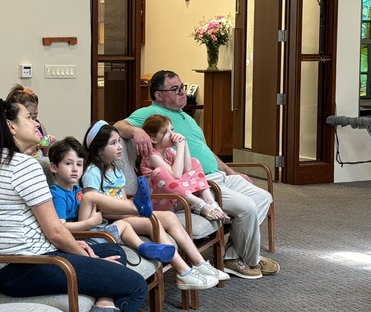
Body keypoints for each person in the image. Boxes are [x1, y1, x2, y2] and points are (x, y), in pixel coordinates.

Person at [0, 99, 151, 312]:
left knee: (112, 250)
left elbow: (53, 232)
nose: (36, 122)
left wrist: (85, 252)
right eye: (28, 117)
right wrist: (87, 256)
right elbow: (54, 232)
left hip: (10, 269)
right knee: (134, 286)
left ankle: (105, 307)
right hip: (34, 266)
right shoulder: (22, 167)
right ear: (10, 127)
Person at [115, 70, 278, 279]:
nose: (182, 92)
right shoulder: (150, 113)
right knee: (246, 208)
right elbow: (118, 125)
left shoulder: (187, 117)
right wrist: (137, 132)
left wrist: (229, 171)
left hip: (217, 175)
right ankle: (243, 259)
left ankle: (235, 255)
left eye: (182, 87)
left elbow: (204, 150)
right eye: (175, 89)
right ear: (158, 95)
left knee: (264, 197)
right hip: (200, 182)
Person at [81, 121, 226, 291]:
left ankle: (199, 263)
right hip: (110, 219)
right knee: (153, 223)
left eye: (119, 141)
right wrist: (130, 210)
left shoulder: (115, 168)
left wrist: (128, 207)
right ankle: (183, 272)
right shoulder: (92, 173)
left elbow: (120, 197)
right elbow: (95, 208)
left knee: (170, 217)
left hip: (125, 213)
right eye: (113, 143)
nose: (120, 147)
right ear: (98, 149)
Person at [48, 137, 176, 263]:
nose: (75, 168)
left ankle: (142, 247)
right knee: (90, 196)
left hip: (95, 232)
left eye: (79, 164)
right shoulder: (57, 194)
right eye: (68, 163)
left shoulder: (77, 190)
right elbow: (60, 228)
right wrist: (91, 222)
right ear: (54, 167)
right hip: (82, 239)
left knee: (124, 224)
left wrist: (95, 216)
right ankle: (135, 206)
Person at [138, 114, 229, 222]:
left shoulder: (169, 151)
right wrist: (180, 148)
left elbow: (188, 168)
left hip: (179, 197)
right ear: (153, 139)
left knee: (194, 161)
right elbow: (176, 175)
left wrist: (184, 144)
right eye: (166, 132)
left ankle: (209, 200)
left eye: (172, 129)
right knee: (160, 172)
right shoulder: (152, 156)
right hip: (160, 200)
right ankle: (199, 203)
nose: (172, 134)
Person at [6, 84, 55, 156]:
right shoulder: (9, 138)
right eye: (28, 117)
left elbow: (46, 157)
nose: (36, 124)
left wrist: (46, 145)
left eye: (35, 116)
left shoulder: (40, 127)